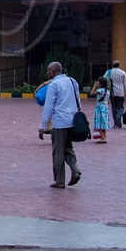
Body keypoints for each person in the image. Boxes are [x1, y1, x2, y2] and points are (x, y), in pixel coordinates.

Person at [38, 61, 82, 189]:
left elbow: (48, 107)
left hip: (59, 122)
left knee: (58, 152)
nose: (47, 73)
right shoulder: (72, 81)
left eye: (48, 70)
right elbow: (78, 100)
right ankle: (75, 170)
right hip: (72, 120)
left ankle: (60, 180)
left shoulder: (53, 85)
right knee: (68, 147)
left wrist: (42, 126)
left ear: (54, 71)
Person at [104, 60, 126, 128]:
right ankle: (118, 117)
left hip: (112, 92)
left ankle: (116, 123)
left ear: (112, 65)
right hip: (121, 92)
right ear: (119, 65)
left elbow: (104, 79)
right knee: (120, 107)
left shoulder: (109, 72)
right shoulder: (122, 72)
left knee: (114, 107)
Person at [89, 76, 112, 142]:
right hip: (105, 107)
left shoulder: (100, 90)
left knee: (100, 122)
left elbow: (91, 93)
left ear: (101, 84)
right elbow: (108, 101)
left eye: (98, 82)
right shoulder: (107, 91)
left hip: (100, 108)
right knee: (104, 122)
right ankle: (104, 136)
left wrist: (94, 86)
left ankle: (102, 138)